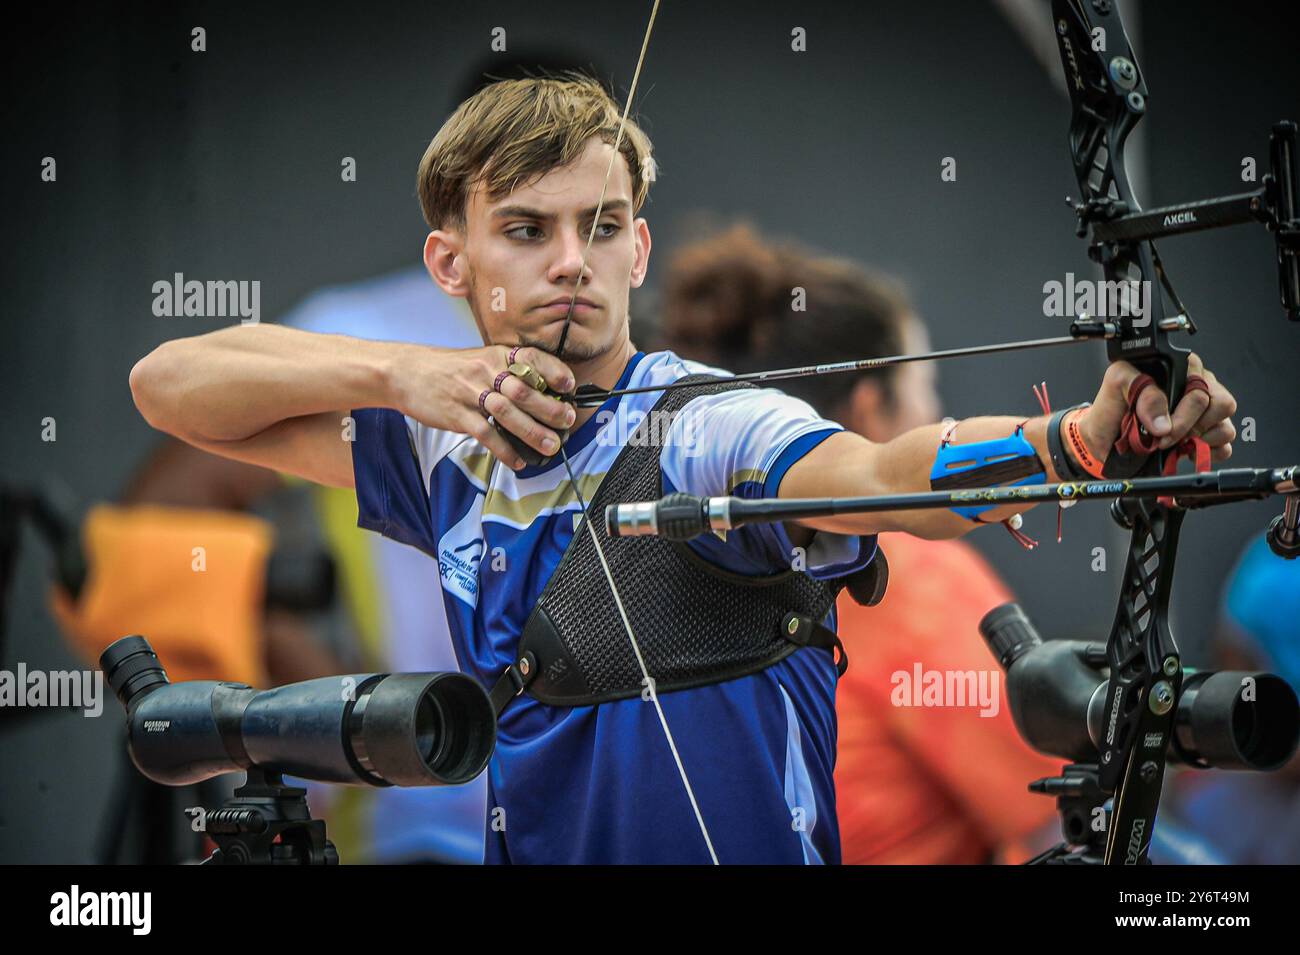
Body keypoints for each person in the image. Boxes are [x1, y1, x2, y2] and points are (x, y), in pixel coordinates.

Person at [127, 73, 1240, 863]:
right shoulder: (445, 444)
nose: (573, 261)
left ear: (639, 247)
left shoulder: (715, 427)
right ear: (449, 263)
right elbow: (170, 385)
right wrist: (401, 373)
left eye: (603, 225)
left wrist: (1072, 442)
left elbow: (885, 474)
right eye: (527, 229)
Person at [658, 224, 1062, 863]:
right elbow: (1061, 816)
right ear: (872, 409)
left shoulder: (676, 562)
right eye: (929, 392)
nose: (941, 416)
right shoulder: (921, 581)